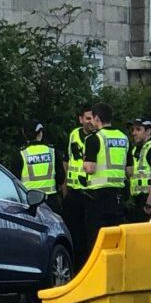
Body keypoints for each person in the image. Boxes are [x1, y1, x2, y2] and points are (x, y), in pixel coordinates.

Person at [79, 101, 128, 263]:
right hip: (117, 196)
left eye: (92, 118)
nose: (91, 122)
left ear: (97, 118)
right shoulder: (123, 138)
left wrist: (83, 163)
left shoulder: (93, 139)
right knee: (116, 239)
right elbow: (130, 171)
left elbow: (90, 168)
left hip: (97, 197)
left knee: (96, 240)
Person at [60, 103, 94, 257]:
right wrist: (65, 190)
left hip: (91, 193)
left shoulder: (98, 137)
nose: (90, 121)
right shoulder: (74, 134)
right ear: (81, 119)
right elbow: (67, 162)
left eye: (93, 118)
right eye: (87, 118)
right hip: (74, 193)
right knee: (74, 234)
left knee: (89, 236)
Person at [18, 122, 59, 211]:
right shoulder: (52, 151)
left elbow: (15, 178)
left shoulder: (21, 153)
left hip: (28, 200)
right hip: (50, 199)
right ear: (40, 134)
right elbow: (61, 177)